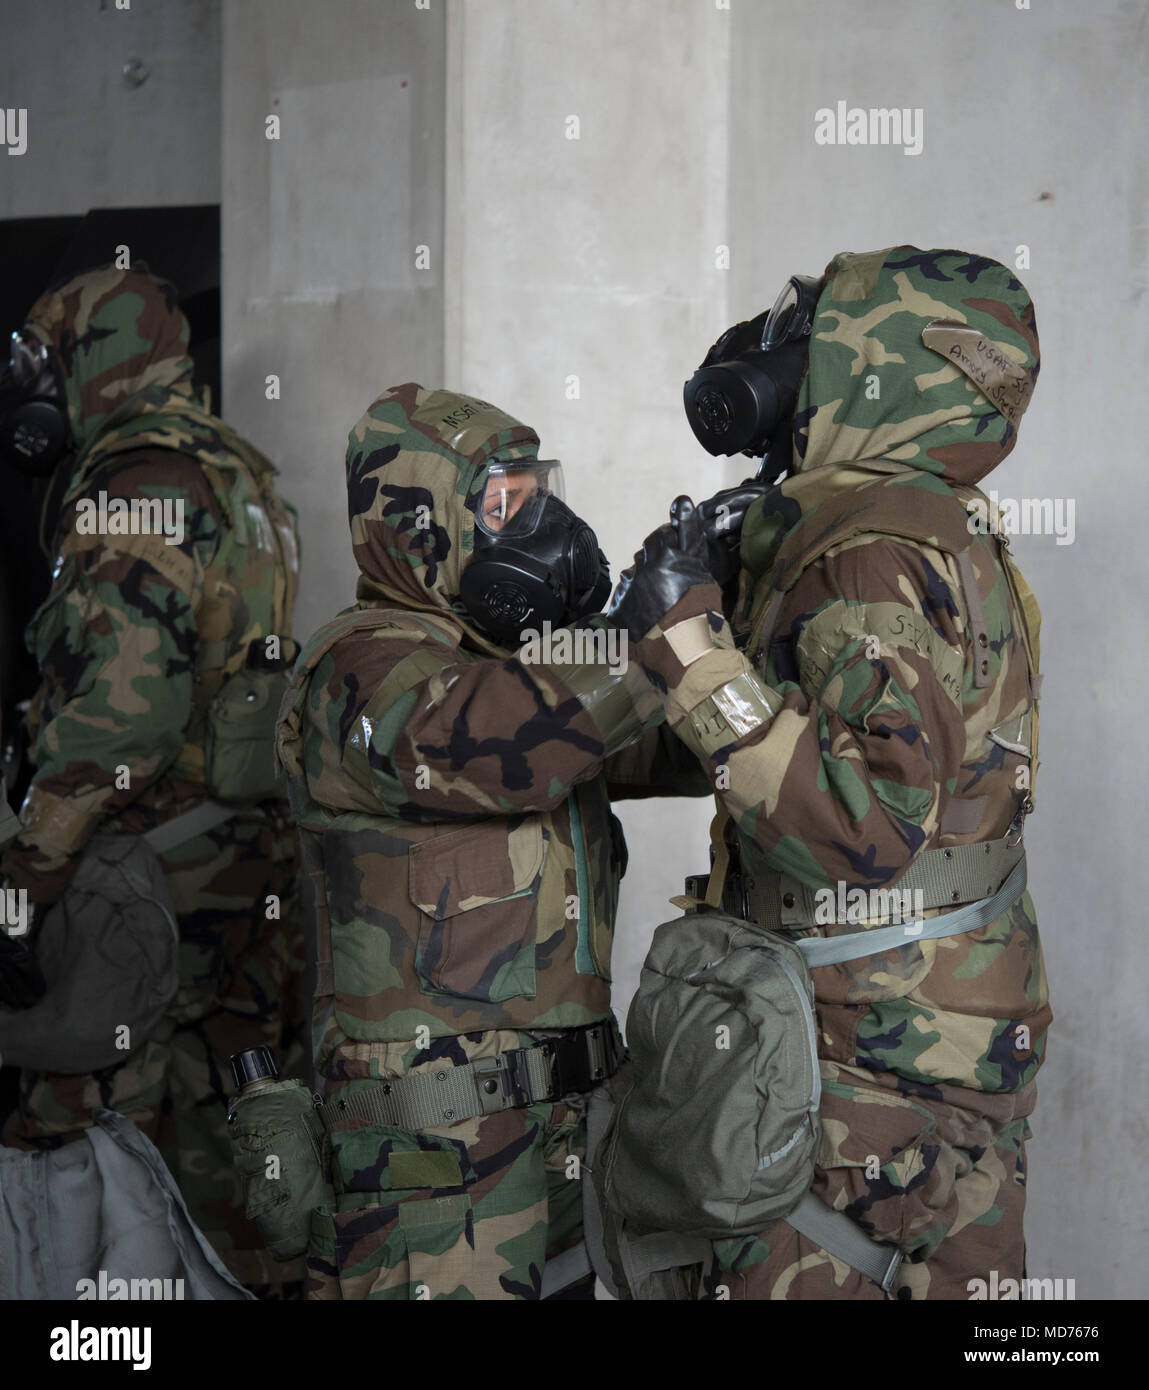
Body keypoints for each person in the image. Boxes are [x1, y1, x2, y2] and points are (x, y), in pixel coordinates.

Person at [610, 246, 1050, 1299]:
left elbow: (865, 827)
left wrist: (688, 650)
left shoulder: (866, 551)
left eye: (810, 329)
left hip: (859, 1052)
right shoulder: (934, 525)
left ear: (876, 365)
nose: (775, 353)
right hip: (950, 1027)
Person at [275, 382, 719, 1300]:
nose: (541, 527)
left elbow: (677, 747)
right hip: (433, 1168)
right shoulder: (356, 670)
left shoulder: (521, 672)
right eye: (501, 504)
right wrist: (637, 641)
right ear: (418, 525)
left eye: (536, 495)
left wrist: (720, 605)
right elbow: (487, 742)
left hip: (573, 1138)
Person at [0, 264, 307, 1297]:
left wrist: (28, 878)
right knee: (227, 1152)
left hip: (145, 888)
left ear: (95, 362)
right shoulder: (238, 472)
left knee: (78, 1151)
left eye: (44, 363)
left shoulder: (137, 484)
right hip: (245, 870)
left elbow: (123, 710)